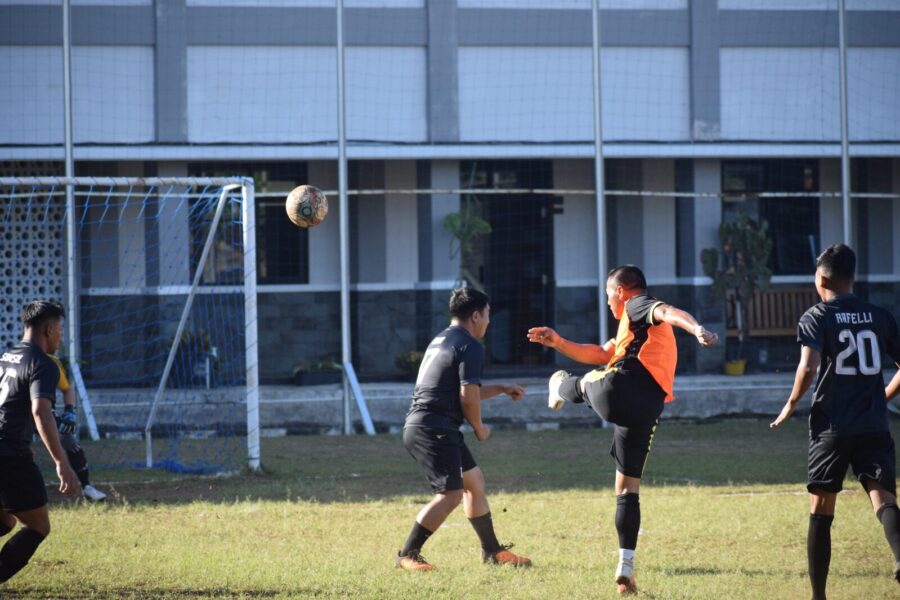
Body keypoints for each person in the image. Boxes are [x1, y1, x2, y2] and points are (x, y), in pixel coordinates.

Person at [527, 265, 718, 595]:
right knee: (629, 488)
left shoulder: (637, 304)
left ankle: (560, 386)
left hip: (620, 390)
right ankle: (625, 566)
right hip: (647, 407)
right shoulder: (635, 330)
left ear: (620, 292)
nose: (607, 303)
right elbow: (602, 353)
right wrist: (558, 342)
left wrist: (697, 328)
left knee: (588, 388)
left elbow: (669, 311)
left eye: (607, 296)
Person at [770, 244, 900, 599]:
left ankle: (819, 596)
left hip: (832, 427)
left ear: (822, 279)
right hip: (873, 425)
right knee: (883, 498)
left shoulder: (817, 316)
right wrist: (882, 398)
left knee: (821, 508)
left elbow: (809, 365)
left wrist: (791, 404)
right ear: (851, 278)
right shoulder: (879, 315)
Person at [396, 287, 531, 571]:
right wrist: (479, 427)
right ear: (476, 315)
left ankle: (492, 551)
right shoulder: (470, 345)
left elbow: (462, 390)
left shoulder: (442, 339)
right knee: (451, 494)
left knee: (474, 483)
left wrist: (502, 388)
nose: (489, 321)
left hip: (429, 424)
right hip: (433, 428)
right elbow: (467, 397)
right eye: (488, 315)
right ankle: (407, 554)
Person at [0, 301, 79, 585]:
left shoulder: (7, 356)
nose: (60, 336)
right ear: (48, 329)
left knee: (5, 520)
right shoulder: (43, 363)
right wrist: (61, 463)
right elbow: (40, 411)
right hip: (10, 455)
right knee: (37, 526)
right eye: (60, 330)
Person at [49, 354, 106, 502]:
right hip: (18, 416)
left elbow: (67, 389)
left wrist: (69, 411)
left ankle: (87, 487)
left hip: (45, 414)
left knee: (70, 442)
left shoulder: (52, 362)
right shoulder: (16, 359)